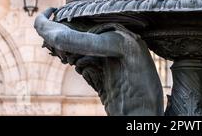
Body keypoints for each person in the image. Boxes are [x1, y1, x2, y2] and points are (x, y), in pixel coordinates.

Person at [34, 7, 164, 116]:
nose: (67, 60)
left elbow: (60, 38)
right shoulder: (108, 64)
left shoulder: (122, 41)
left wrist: (40, 23)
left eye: (67, 52)